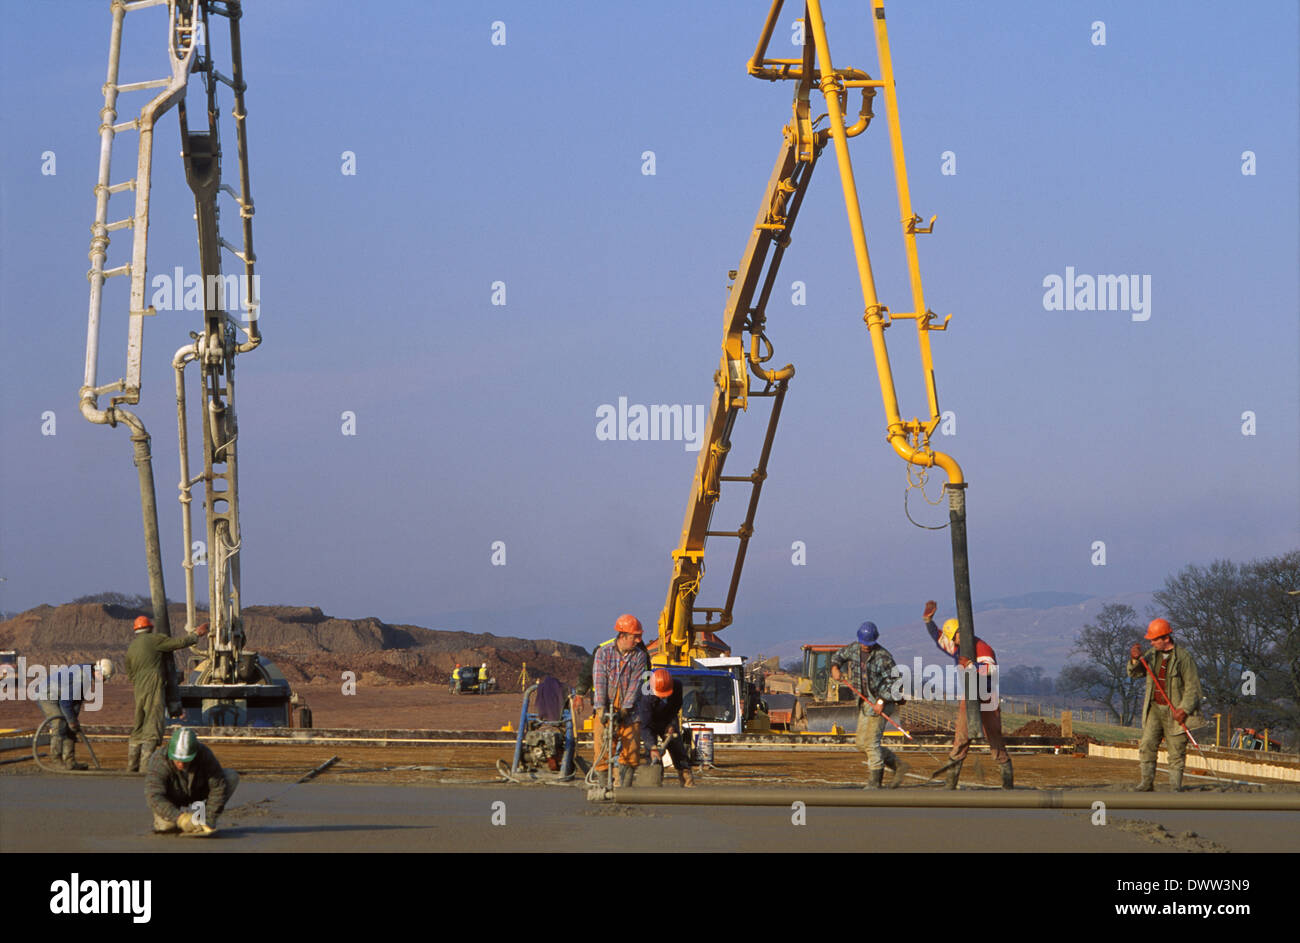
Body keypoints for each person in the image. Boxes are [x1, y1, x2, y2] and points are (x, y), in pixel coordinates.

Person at [922, 600, 1012, 789]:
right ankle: (951, 782)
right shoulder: (956, 645)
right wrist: (929, 621)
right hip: (970, 694)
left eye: (954, 638)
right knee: (961, 737)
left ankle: (1007, 782)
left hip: (987, 696)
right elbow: (939, 638)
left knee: (994, 737)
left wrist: (972, 667)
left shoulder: (982, 648)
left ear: (960, 633)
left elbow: (991, 669)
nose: (952, 643)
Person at [830, 621, 908, 788]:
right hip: (865, 702)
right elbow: (838, 656)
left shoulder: (884, 657)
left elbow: (896, 684)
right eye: (863, 644)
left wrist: (881, 701)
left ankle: (875, 782)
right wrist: (835, 667)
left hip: (882, 702)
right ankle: (897, 765)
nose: (866, 647)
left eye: (869, 644)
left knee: (871, 743)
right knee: (861, 743)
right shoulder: (853, 649)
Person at [125, 616, 208, 772]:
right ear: (150, 628)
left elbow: (129, 673)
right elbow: (178, 644)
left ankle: (132, 765)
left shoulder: (132, 647)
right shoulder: (154, 640)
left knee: (139, 724)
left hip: (138, 688)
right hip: (153, 684)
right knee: (153, 723)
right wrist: (196, 634)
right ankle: (145, 766)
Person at [1128, 618, 1202, 792]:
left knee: (1176, 751)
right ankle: (1146, 783)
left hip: (1175, 711)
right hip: (1154, 709)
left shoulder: (1184, 658)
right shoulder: (1152, 655)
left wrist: (1184, 709)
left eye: (1154, 639)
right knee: (1146, 745)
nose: (1151, 643)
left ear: (1166, 638)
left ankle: (1175, 787)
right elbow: (1135, 674)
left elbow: (1193, 687)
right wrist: (1134, 659)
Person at [591, 613, 649, 788]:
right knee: (602, 746)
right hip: (606, 706)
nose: (638, 640)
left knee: (631, 749)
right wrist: (601, 710)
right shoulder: (603, 653)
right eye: (635, 637)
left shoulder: (639, 656)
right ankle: (603, 785)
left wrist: (624, 710)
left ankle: (625, 788)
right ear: (622, 636)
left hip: (630, 709)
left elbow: (635, 684)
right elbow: (599, 681)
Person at [146, 728, 238, 835]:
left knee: (230, 777)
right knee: (167, 827)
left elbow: (218, 788)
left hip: (197, 794)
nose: (181, 764)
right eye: (177, 760)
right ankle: (178, 821)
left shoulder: (205, 755)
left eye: (185, 761)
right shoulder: (159, 760)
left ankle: (201, 818)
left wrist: (208, 818)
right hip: (172, 797)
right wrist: (180, 818)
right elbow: (153, 795)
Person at [36, 660, 113, 770]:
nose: (103, 681)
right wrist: (71, 720)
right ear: (99, 672)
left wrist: (74, 721)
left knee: (70, 727)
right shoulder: (82, 677)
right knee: (59, 723)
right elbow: (65, 701)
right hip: (46, 694)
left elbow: (76, 701)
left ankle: (70, 762)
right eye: (104, 678)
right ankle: (56, 760)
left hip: (59, 695)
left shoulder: (87, 676)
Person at [637, 667, 694, 787]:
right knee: (652, 754)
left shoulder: (677, 686)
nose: (663, 697)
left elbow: (676, 707)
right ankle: (655, 780)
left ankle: (686, 779)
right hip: (650, 722)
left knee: (677, 747)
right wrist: (652, 747)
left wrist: (671, 724)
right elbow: (645, 725)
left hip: (667, 719)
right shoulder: (646, 696)